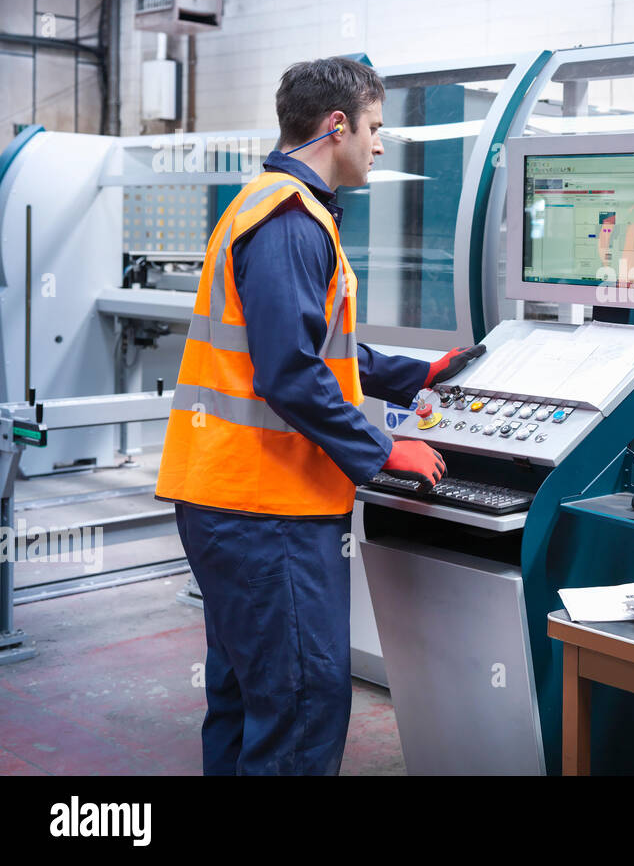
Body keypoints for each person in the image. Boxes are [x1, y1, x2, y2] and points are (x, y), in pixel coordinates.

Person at [155, 56, 483, 775]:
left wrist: (413, 376)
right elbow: (290, 374)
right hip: (266, 509)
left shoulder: (265, 203)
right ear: (337, 125)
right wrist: (382, 450)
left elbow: (314, 343)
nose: (380, 144)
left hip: (229, 499)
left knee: (247, 698)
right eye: (374, 127)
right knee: (303, 703)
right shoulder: (291, 222)